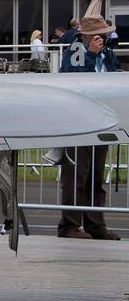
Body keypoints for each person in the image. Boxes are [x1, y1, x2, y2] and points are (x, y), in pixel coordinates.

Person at [57, 17, 121, 240]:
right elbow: (74, 79)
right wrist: (92, 54)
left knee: (95, 176)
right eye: (100, 35)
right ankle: (69, 225)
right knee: (76, 176)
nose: (104, 38)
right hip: (77, 123)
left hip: (101, 122)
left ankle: (95, 224)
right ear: (87, 37)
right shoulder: (75, 53)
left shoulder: (107, 55)